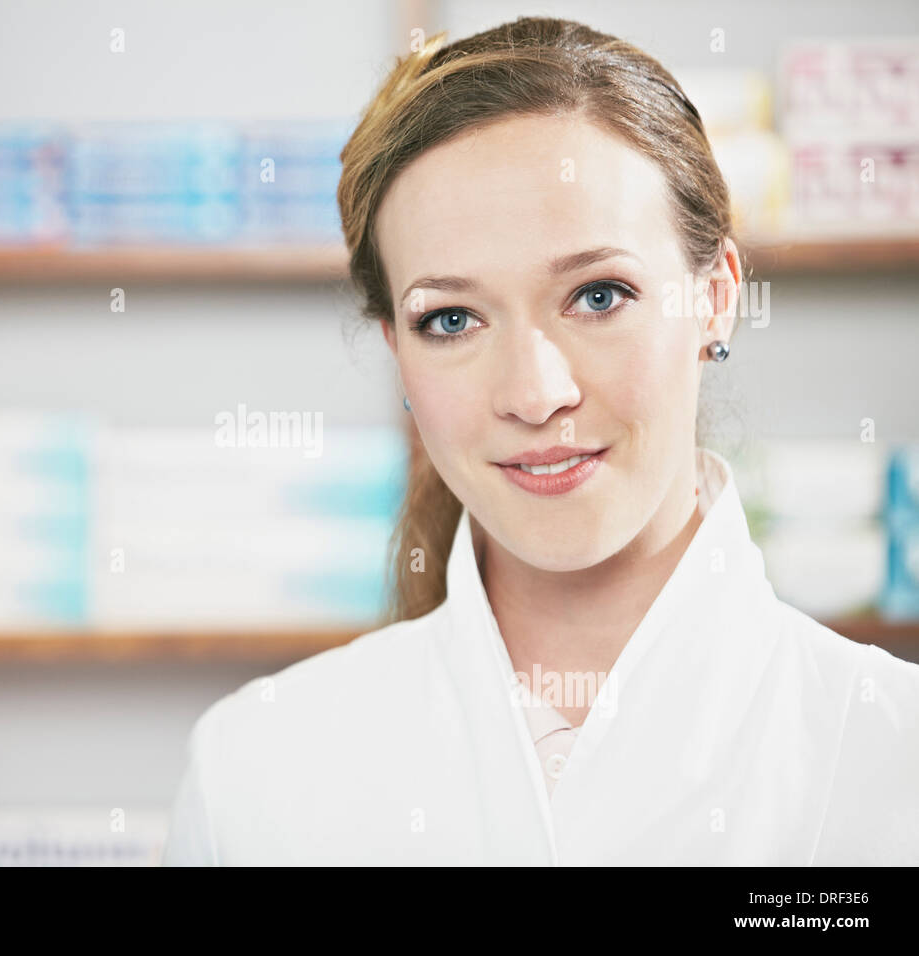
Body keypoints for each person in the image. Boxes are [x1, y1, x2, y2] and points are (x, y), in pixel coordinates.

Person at [160, 16, 919, 865]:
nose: (534, 394)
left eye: (598, 296)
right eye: (451, 319)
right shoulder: (253, 778)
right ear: (398, 357)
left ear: (714, 297)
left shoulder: (894, 759)